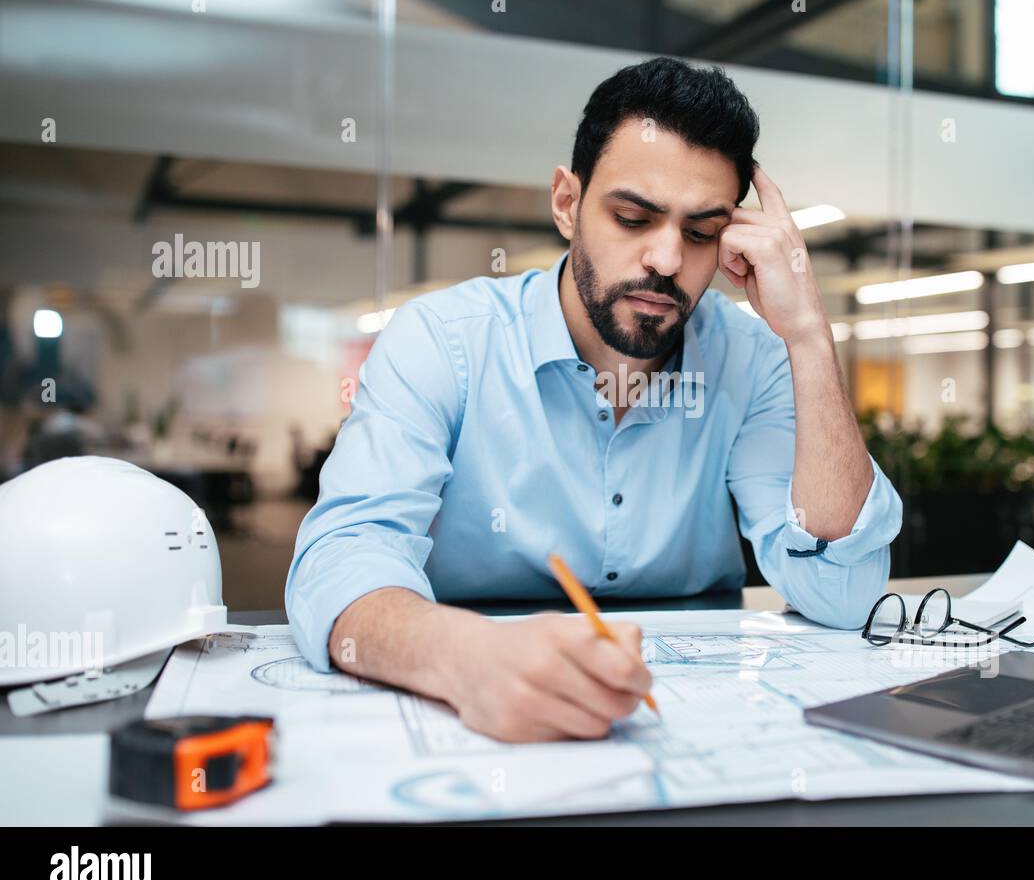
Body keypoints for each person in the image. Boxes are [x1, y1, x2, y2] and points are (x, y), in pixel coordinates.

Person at [286, 56, 903, 742]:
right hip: (466, 722)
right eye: (633, 217)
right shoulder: (443, 343)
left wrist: (810, 337)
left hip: (691, 735)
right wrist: (464, 655)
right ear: (566, 203)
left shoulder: (751, 362)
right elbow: (341, 559)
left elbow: (843, 595)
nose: (667, 259)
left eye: (701, 232)